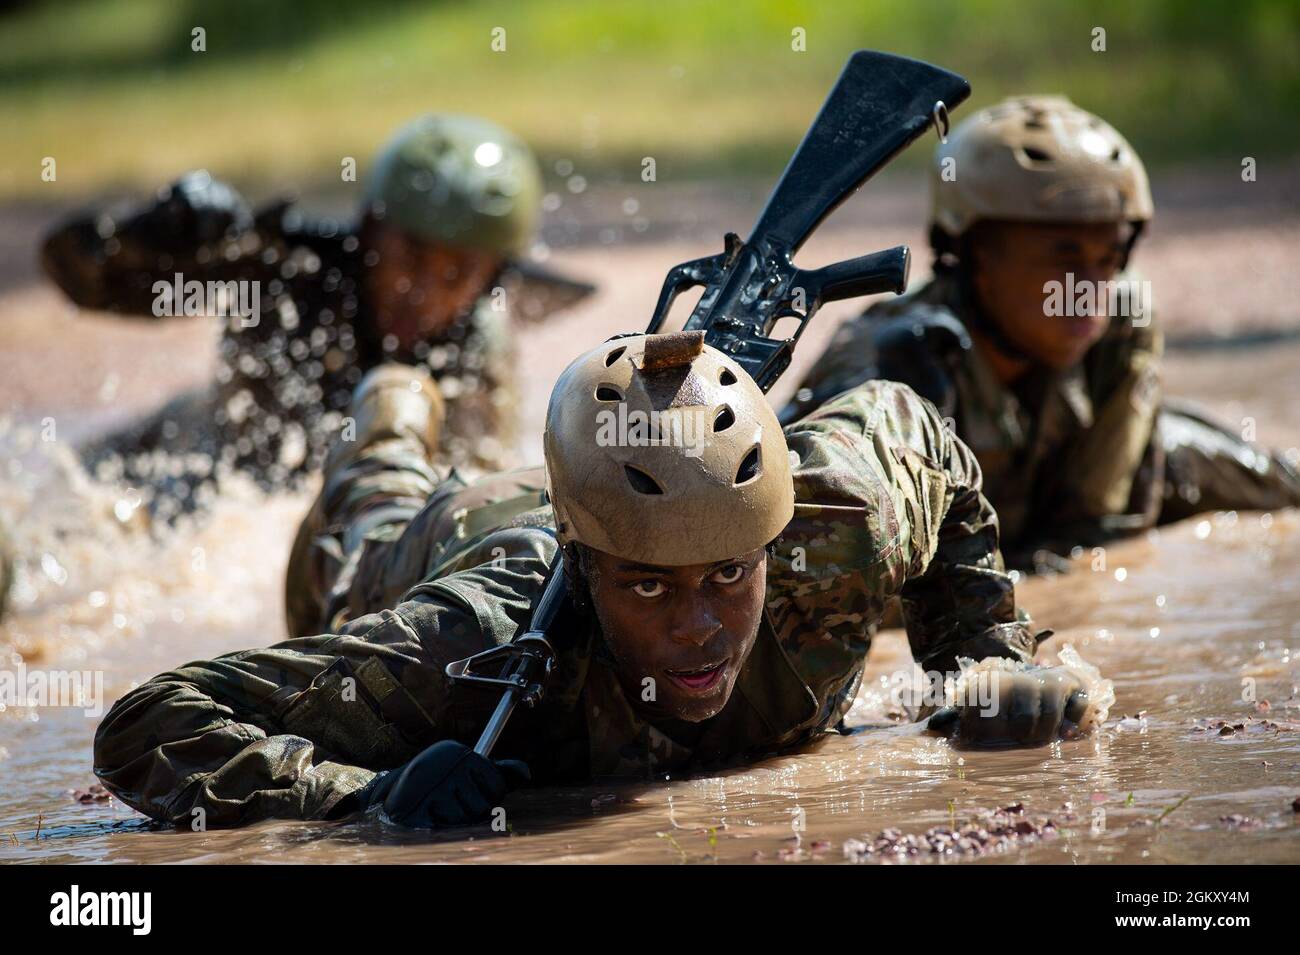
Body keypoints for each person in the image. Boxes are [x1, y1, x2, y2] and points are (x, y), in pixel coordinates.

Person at [93, 332, 1104, 830]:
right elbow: (150, 720)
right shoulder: (467, 646)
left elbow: (925, 435)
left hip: (600, 486)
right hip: (461, 532)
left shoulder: (840, 523)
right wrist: (363, 796)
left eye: (728, 574)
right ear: (587, 569)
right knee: (374, 504)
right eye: (649, 589)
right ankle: (395, 400)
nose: (702, 628)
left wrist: (979, 658)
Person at [782, 96, 1300, 570]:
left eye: (1110, 258)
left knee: (1278, 485)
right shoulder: (891, 363)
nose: (1090, 289)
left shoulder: (1122, 320)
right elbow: (814, 548)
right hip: (948, 556)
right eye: (1064, 259)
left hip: (1081, 496)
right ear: (976, 254)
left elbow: (1101, 521)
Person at [41, 114, 592, 520]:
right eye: (411, 258)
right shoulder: (288, 270)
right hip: (180, 461)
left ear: (492, 280)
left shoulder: (478, 352)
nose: (420, 292)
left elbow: (476, 505)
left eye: (455, 275)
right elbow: (83, 281)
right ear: (371, 231)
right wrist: (140, 241)